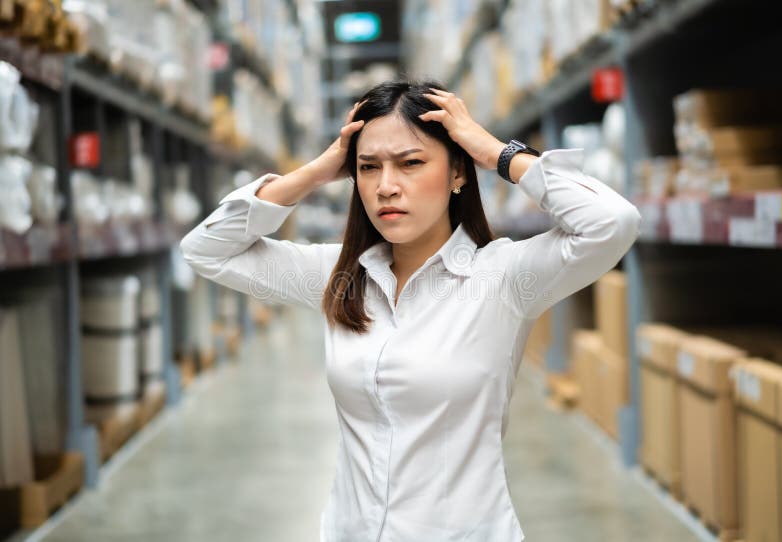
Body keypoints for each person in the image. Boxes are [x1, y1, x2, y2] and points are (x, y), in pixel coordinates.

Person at [180, 79, 641, 541]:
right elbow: (206, 249)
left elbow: (611, 223)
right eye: (368, 167)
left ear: (457, 172)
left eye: (411, 163)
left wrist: (494, 152)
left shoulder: (503, 278)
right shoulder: (340, 278)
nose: (386, 187)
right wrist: (317, 172)